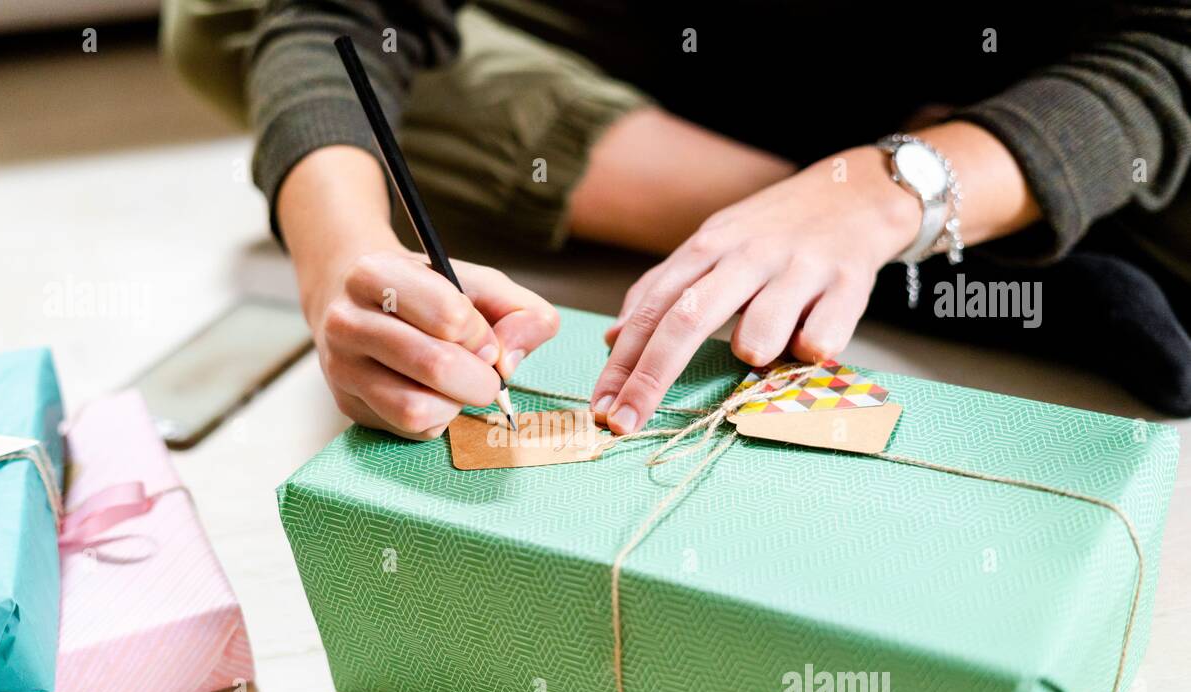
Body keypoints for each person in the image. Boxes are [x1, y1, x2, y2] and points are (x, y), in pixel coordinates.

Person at [163, 1, 1191, 436]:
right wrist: (344, 258)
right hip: (710, 62)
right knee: (218, 17)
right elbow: (339, 14)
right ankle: (779, 230)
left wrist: (897, 186)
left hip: (1026, 74)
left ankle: (890, 225)